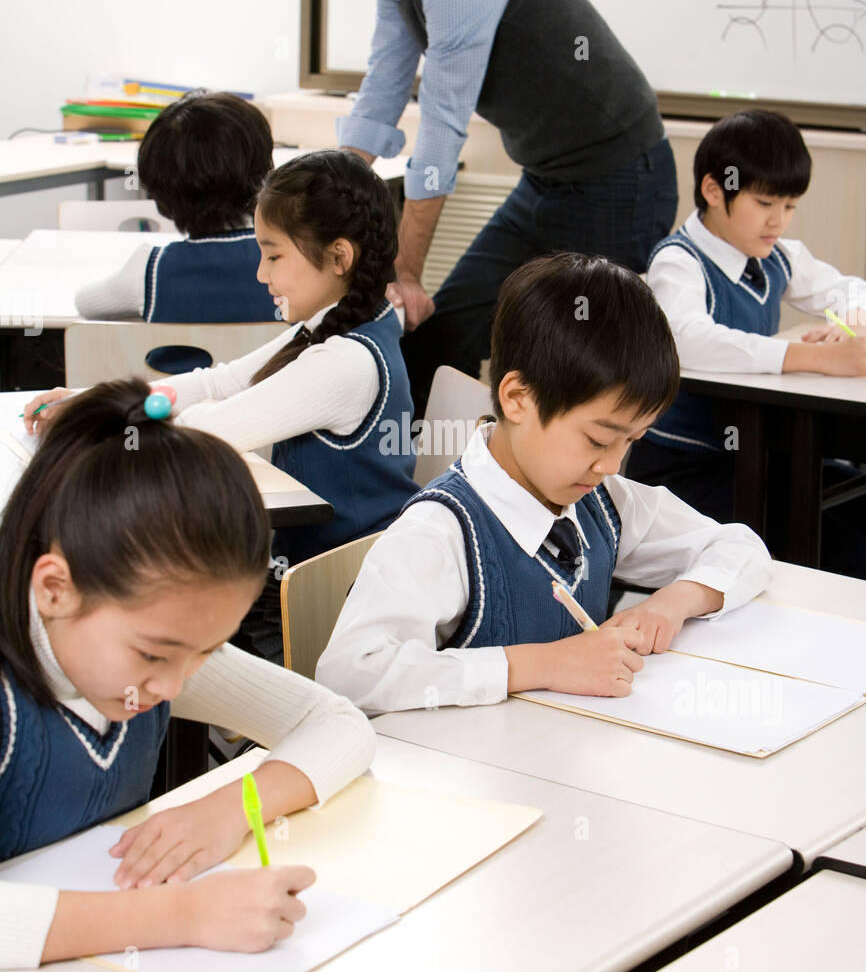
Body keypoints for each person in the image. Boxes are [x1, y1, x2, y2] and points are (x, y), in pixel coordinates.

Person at [266, 0, 678, 413]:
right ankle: (424, 495)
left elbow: (440, 129)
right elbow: (384, 85)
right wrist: (312, 205)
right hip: (545, 178)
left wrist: (404, 271)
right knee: (441, 336)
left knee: (592, 373)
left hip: (619, 179)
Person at [0, 379, 375, 969]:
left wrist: (228, 808)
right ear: (54, 589)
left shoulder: (156, 642)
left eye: (205, 652)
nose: (175, 687)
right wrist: (184, 916)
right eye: (154, 657)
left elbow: (334, 721)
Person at [316, 254, 771, 715]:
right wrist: (542, 664)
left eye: (631, 441)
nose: (612, 465)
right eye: (597, 439)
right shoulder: (441, 531)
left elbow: (740, 547)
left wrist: (671, 603)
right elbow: (350, 675)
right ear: (518, 399)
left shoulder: (604, 503)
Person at [25, 151, 417, 662]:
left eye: (273, 256)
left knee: (140, 601)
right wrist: (89, 399)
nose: (260, 274)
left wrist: (99, 419)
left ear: (339, 257)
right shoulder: (334, 325)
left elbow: (208, 430)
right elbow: (220, 384)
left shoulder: (345, 360)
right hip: (304, 578)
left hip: (329, 603)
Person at [626, 109, 866, 576]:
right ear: (715, 190)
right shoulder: (678, 262)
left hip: (763, 457)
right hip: (689, 471)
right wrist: (817, 359)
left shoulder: (778, 255)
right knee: (842, 551)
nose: (779, 221)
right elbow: (686, 339)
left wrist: (848, 323)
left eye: (790, 206)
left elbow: (850, 289)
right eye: (765, 203)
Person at [75, 91, 277, 373]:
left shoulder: (149, 269)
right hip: (270, 408)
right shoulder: (297, 261)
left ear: (159, 195)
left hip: (174, 411)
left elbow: (85, 303)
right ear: (267, 174)